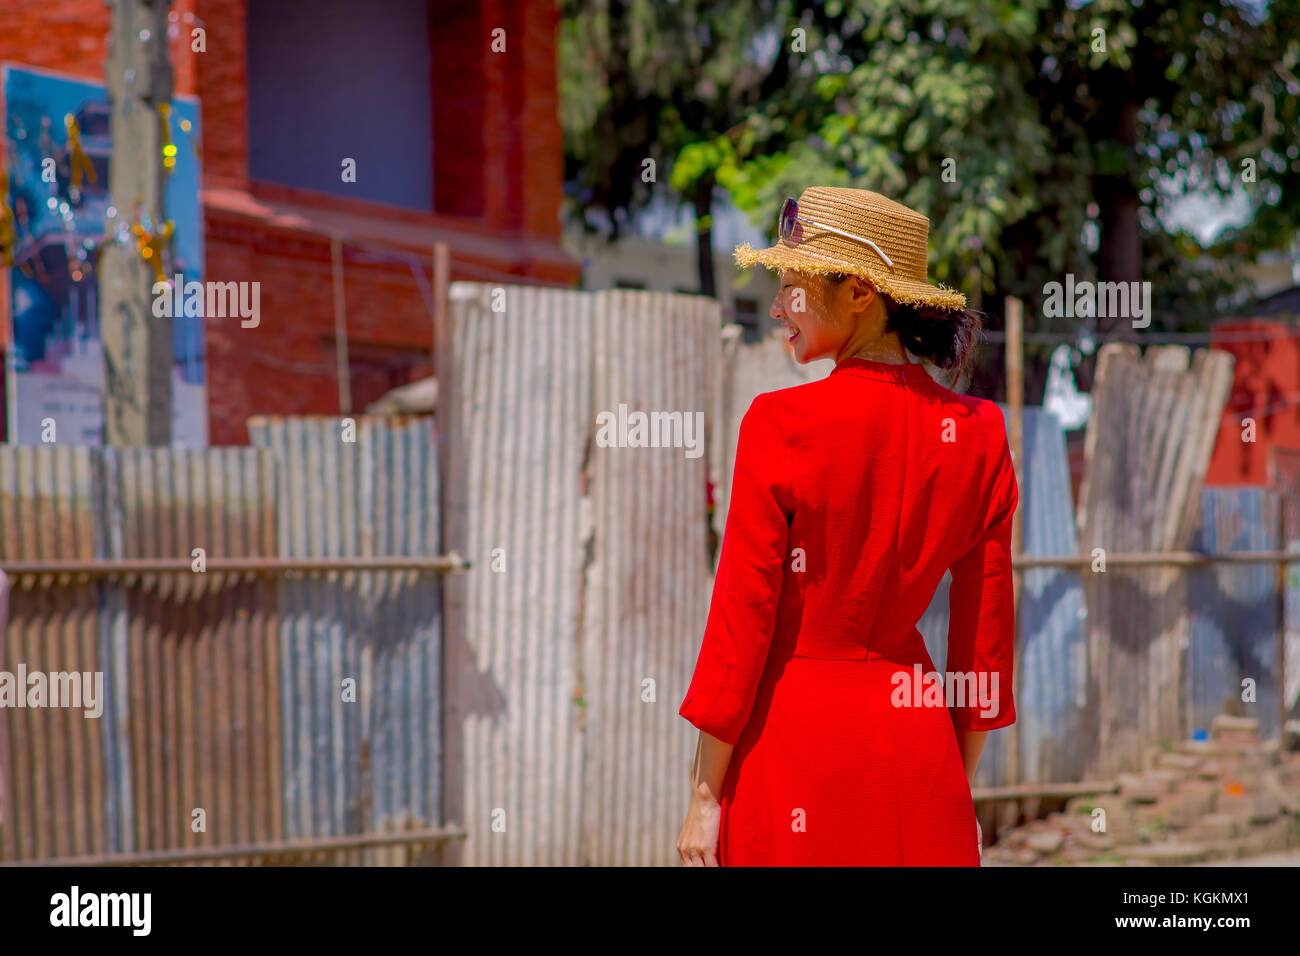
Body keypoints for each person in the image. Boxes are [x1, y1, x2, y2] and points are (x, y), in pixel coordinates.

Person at [676, 186, 1017, 866]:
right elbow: (986, 648)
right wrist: (954, 791)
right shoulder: (980, 436)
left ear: (860, 291)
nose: (778, 308)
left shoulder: (782, 425)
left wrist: (704, 796)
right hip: (923, 765)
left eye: (792, 288)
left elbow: (740, 625)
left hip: (792, 758)